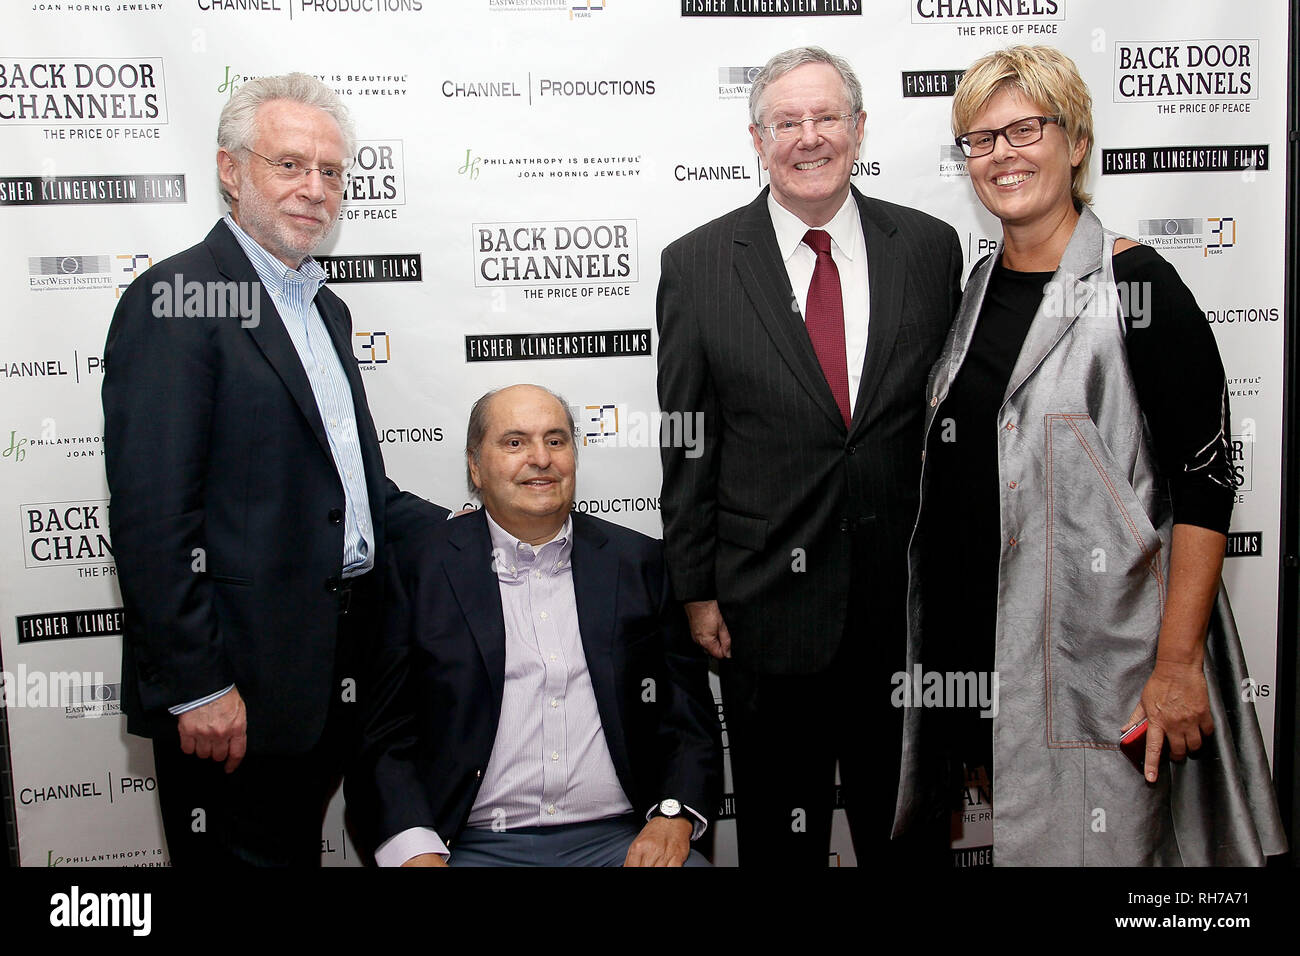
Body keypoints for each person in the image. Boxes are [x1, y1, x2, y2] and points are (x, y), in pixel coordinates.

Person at [893, 45, 1285, 865]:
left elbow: (1207, 491)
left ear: (1076, 143)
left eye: (1026, 129)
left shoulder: (1141, 289)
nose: (1003, 155)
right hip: (996, 663)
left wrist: (1177, 667)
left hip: (1112, 664)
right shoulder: (975, 289)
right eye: (981, 138)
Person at [103, 73, 447, 867]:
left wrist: (474, 525)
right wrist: (197, 684)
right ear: (231, 170)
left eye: (331, 172)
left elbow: (354, 495)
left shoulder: (324, 308)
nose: (314, 189)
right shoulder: (177, 300)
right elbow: (154, 519)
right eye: (289, 164)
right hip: (235, 690)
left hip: (335, 669)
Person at [656, 46, 962, 866]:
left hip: (904, 616)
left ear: (860, 129)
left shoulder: (931, 249)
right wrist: (696, 591)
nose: (809, 137)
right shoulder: (698, 264)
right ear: (757, 138)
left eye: (827, 117)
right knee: (778, 839)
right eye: (787, 122)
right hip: (765, 617)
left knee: (908, 838)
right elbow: (688, 441)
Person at [347, 385, 721, 866]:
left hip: (621, 842)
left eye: (556, 440)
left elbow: (688, 723)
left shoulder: (641, 564)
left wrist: (672, 815)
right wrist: (414, 852)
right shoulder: (417, 571)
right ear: (475, 466)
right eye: (515, 442)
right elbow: (380, 738)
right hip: (465, 845)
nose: (540, 458)